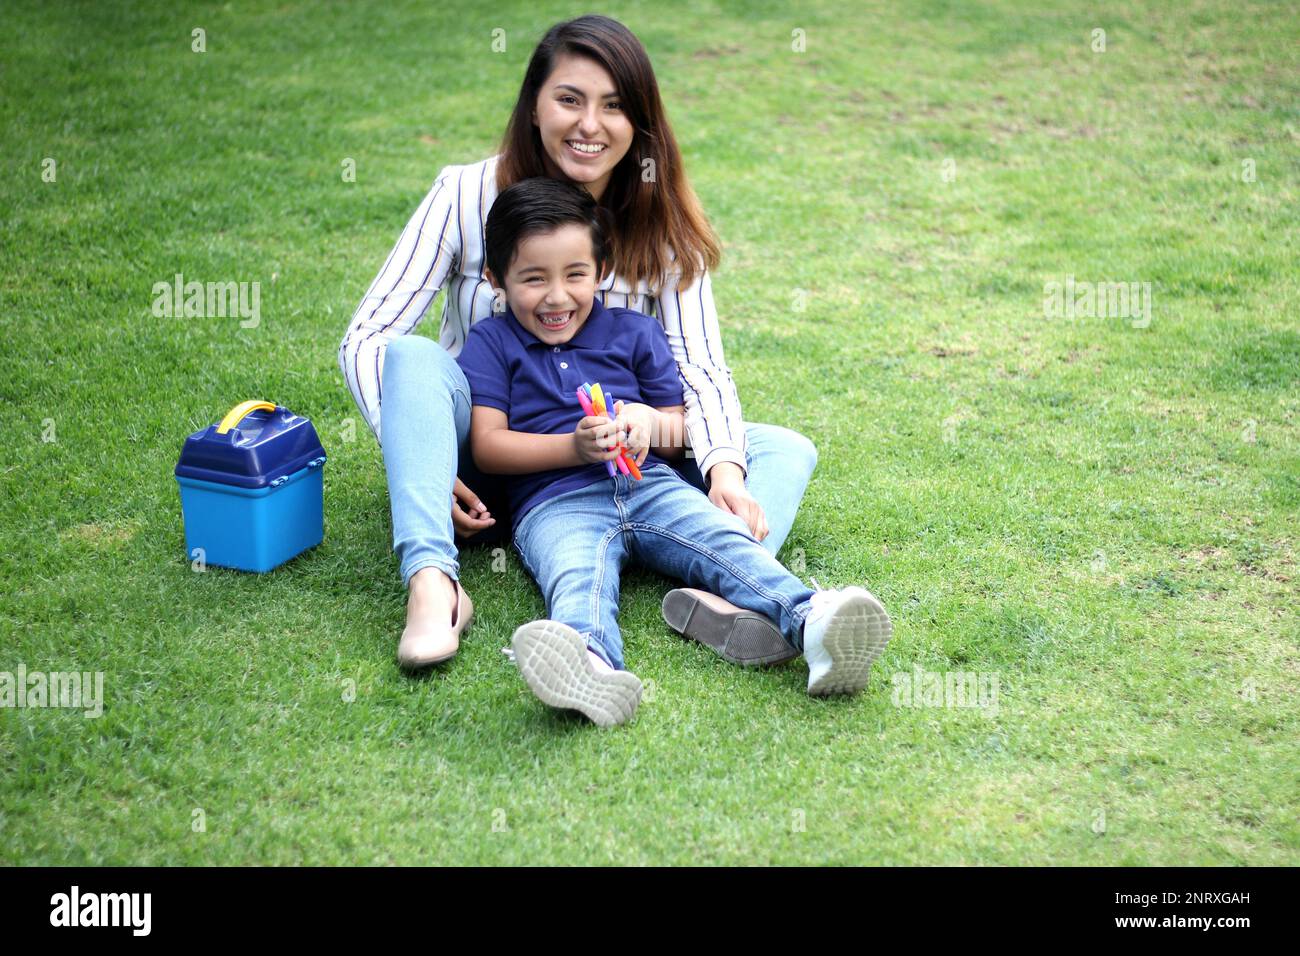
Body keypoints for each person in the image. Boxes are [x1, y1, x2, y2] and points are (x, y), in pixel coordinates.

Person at [337, 15, 818, 670]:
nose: (590, 125)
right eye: (570, 99)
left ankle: (729, 596)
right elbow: (367, 336)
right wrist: (421, 459)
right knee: (412, 355)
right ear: (534, 105)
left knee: (779, 449)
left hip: (620, 464)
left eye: (614, 107)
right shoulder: (465, 193)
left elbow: (702, 370)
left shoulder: (662, 223)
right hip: (493, 455)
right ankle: (434, 584)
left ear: (639, 126)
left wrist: (725, 470)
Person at [456, 176, 893, 726]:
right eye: (533, 279)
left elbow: (682, 424)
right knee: (575, 573)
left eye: (575, 275)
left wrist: (646, 423)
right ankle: (590, 663)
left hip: (651, 484)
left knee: (725, 543)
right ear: (496, 279)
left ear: (602, 271)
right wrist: (574, 447)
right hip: (553, 503)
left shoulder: (633, 332)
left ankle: (814, 623)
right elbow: (490, 448)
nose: (557, 296)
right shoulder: (492, 343)